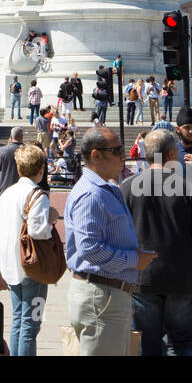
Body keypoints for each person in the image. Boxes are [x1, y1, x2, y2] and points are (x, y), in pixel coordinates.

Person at [121, 129, 192, 356]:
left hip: (143, 276)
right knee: (185, 341)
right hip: (182, 276)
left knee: (147, 342)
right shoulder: (189, 187)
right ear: (173, 153)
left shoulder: (127, 188)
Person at [64, 126, 154, 355]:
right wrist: (133, 260)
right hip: (101, 295)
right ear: (96, 155)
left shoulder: (106, 188)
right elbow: (89, 249)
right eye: (116, 150)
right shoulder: (92, 194)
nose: (123, 155)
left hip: (107, 295)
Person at [0, 143, 58, 356]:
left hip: (12, 266)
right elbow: (39, 230)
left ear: (19, 169)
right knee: (32, 324)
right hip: (33, 267)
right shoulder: (37, 195)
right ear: (41, 169)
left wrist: (0, 262)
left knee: (19, 320)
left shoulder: (6, 194)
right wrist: (51, 219)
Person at [0, 126, 23, 196]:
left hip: (5, 186)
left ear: (10, 136)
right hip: (21, 189)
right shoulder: (27, 150)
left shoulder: (2, 150)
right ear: (22, 136)